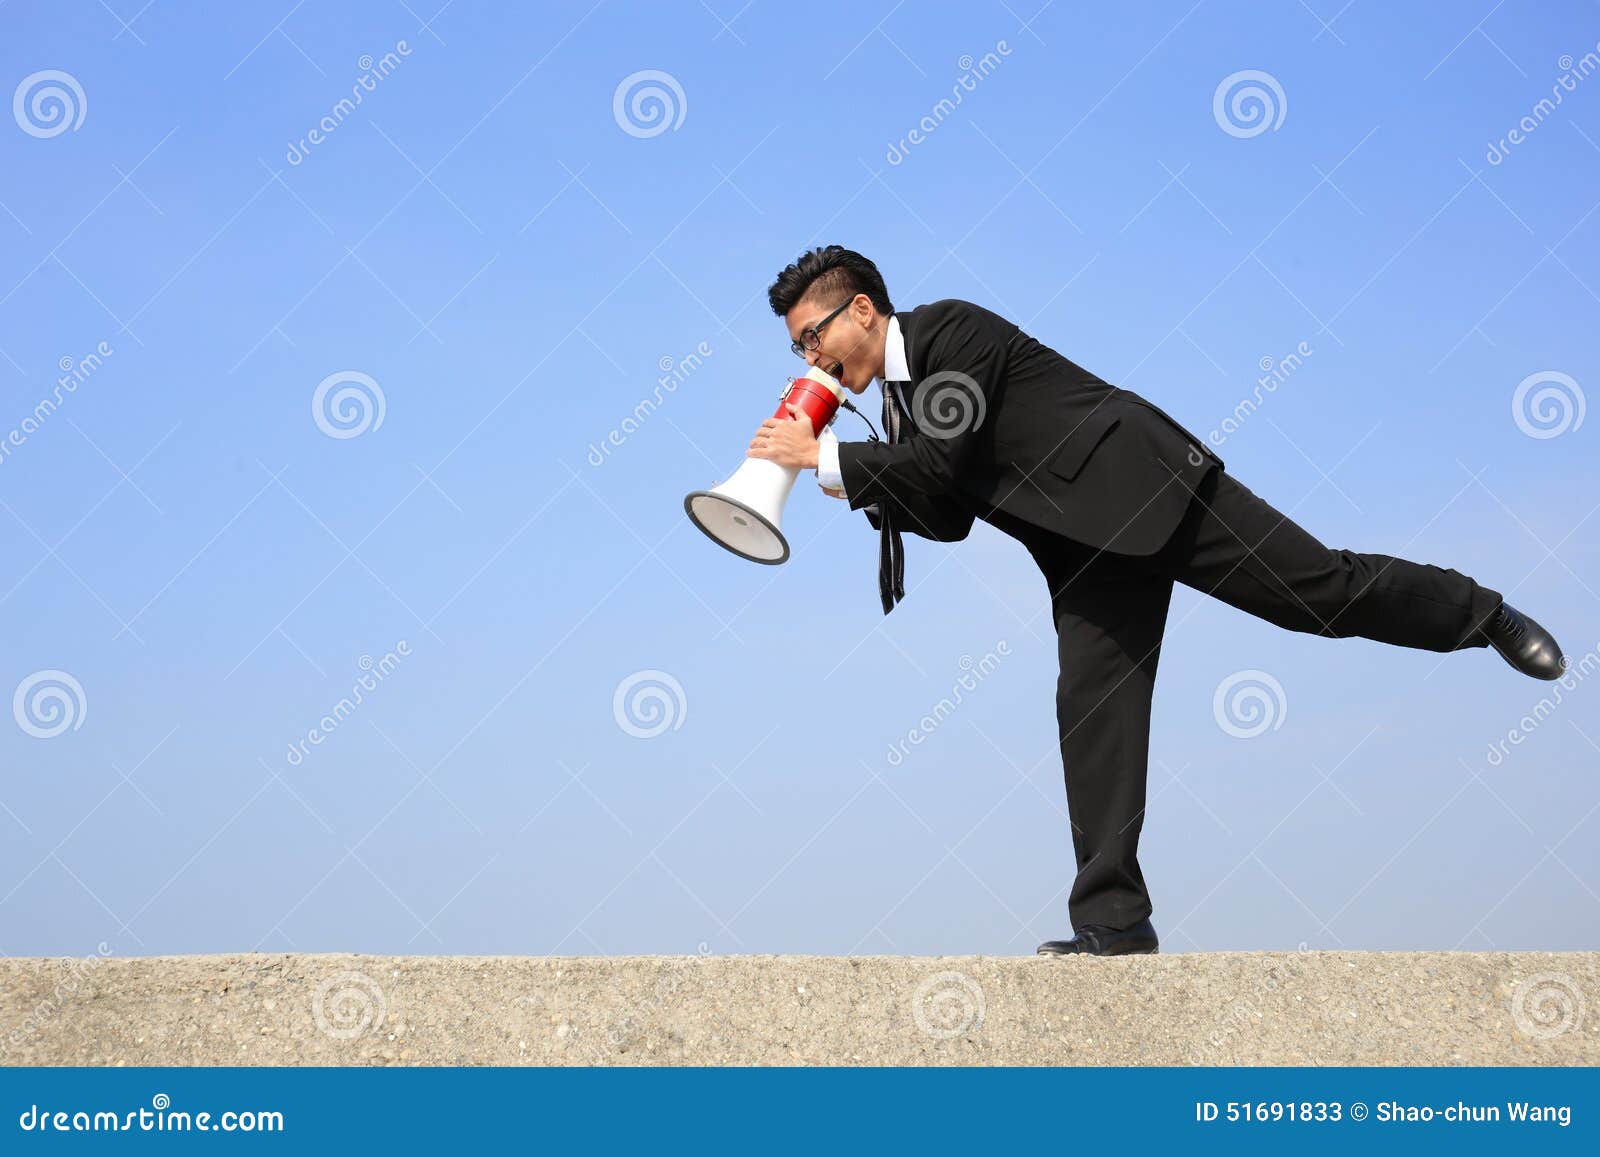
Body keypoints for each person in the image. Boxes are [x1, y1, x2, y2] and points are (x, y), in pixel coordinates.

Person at [746, 245, 1567, 956]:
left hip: (1149, 491)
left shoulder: (947, 332)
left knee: (1321, 594)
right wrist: (843, 478)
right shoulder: (892, 400)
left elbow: (940, 463)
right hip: (1084, 553)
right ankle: (1115, 923)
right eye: (798, 348)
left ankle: (1481, 611)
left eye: (814, 337)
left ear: (863, 309)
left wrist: (829, 460)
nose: (812, 360)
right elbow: (950, 513)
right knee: (1090, 708)